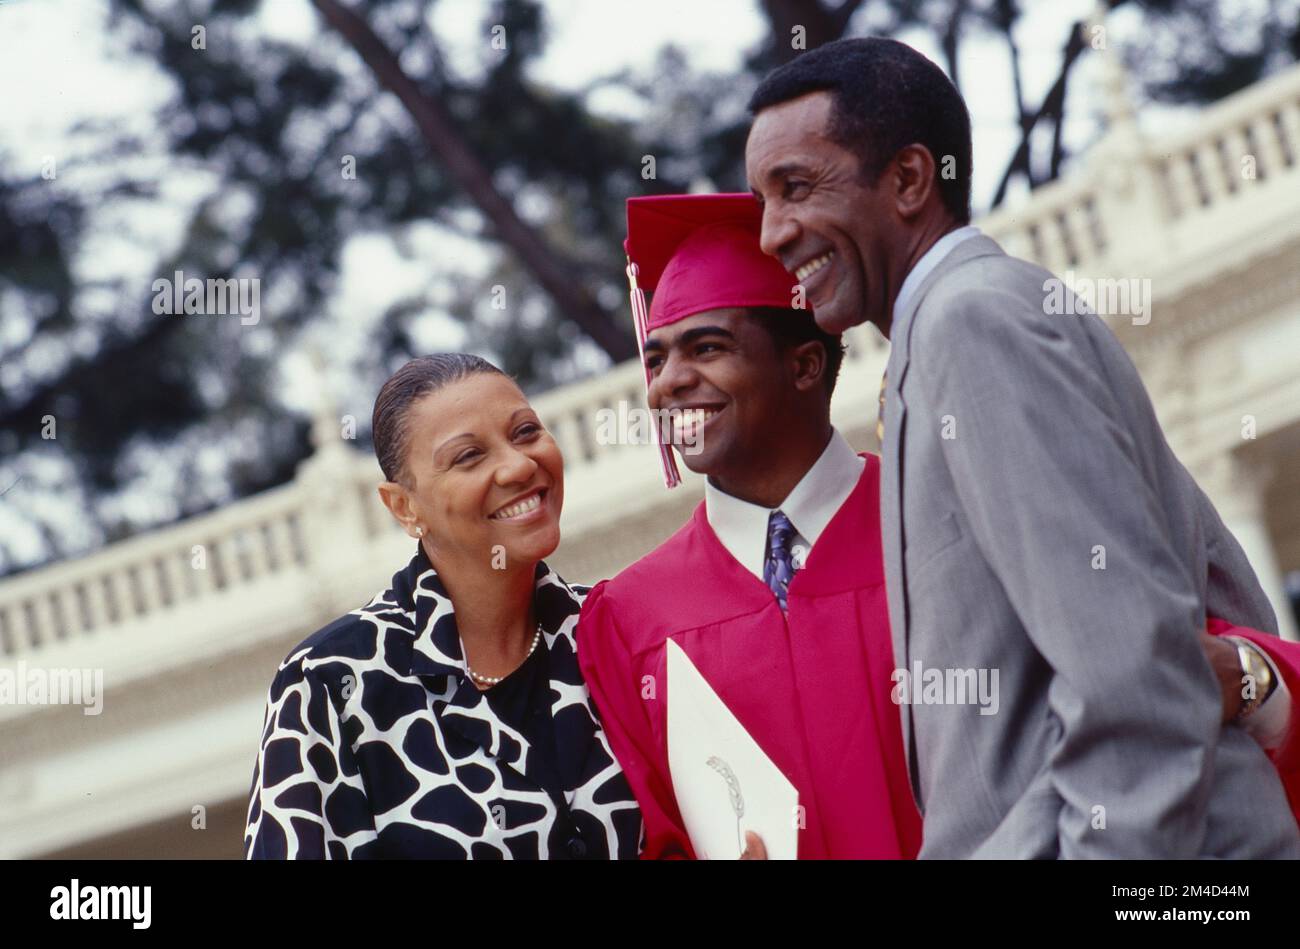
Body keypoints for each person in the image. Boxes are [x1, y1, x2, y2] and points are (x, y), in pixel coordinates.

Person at [576, 192, 1300, 859]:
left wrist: (1250, 675)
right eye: (655, 357)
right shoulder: (630, 621)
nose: (667, 381)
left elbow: (1191, 654)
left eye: (706, 348)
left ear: (804, 365)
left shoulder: (964, 502)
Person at [745, 37, 1300, 857]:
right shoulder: (955, 328)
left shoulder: (974, 323)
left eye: (796, 188)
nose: (771, 234)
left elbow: (1136, 673)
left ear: (907, 179)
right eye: (763, 199)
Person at [244, 354, 641, 859]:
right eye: (469, 456)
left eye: (525, 432)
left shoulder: (619, 632)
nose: (520, 465)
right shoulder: (331, 683)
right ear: (404, 507)